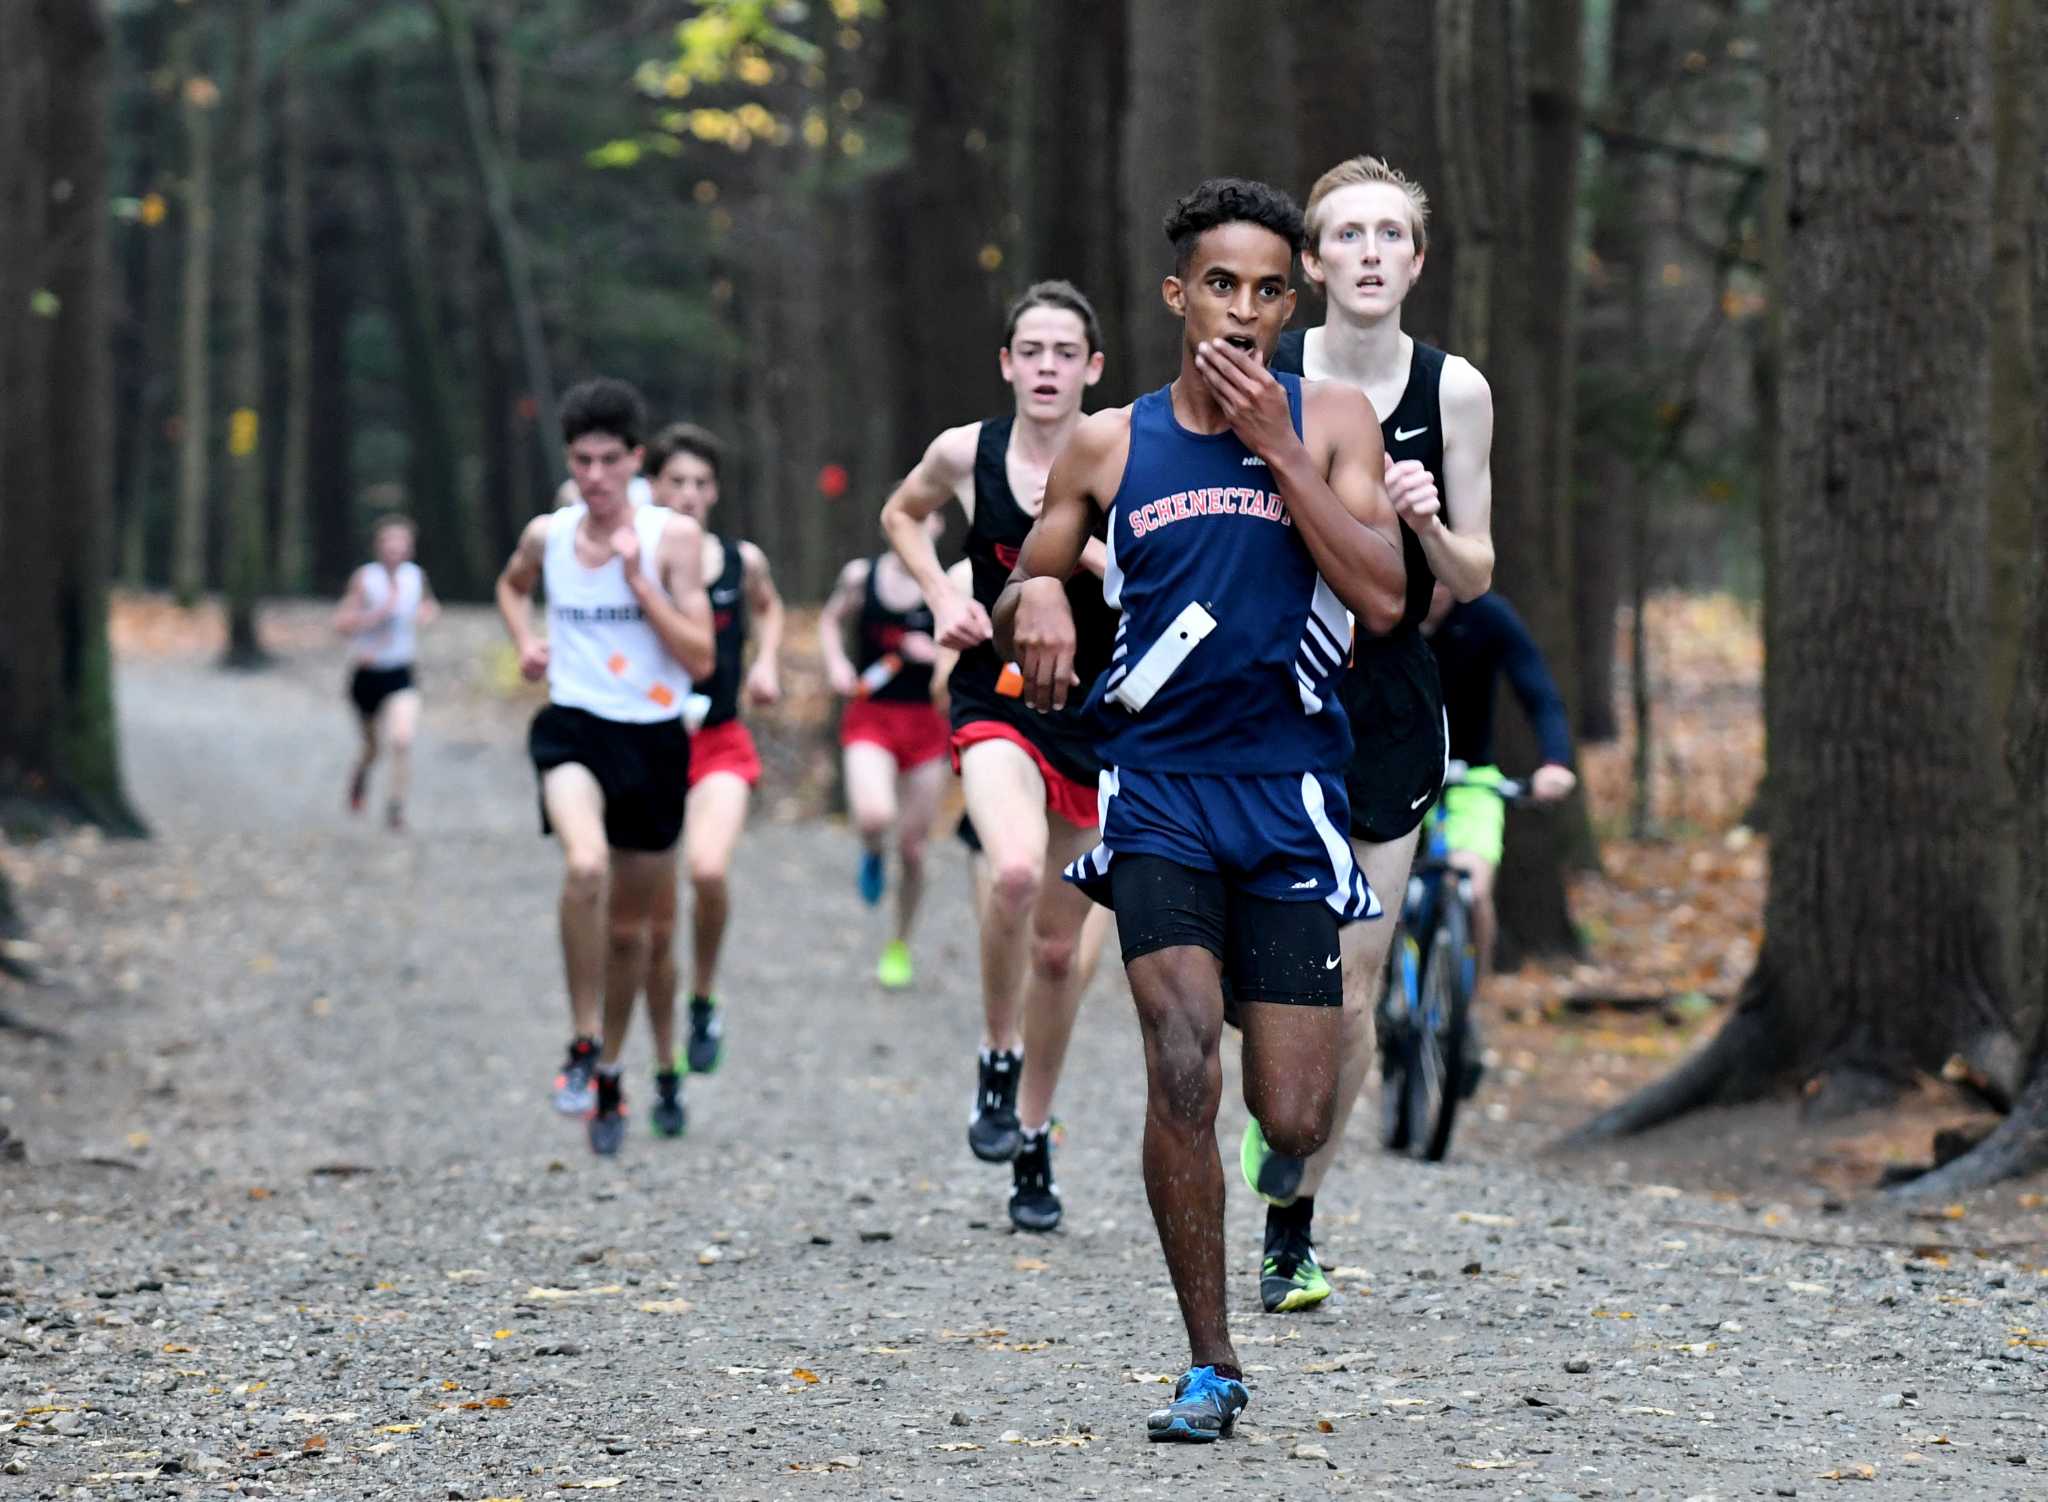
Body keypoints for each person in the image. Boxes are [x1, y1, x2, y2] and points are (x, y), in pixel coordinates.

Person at [998, 178, 1406, 1441]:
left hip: (1289, 797)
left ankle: (1263, 1063)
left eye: (1266, 288)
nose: (1240, 310)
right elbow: (1034, 563)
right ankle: (1211, 1361)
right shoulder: (1110, 441)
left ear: (1295, 300)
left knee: (1290, 1112)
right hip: (1162, 792)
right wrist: (1046, 594)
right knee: (1182, 1067)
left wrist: (1279, 449)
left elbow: (1385, 594)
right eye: (1217, 285)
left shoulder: (1332, 416)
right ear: (1178, 296)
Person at [1237, 155, 1497, 1315]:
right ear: (1310, 261)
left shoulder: (1453, 392)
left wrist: (1427, 525)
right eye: (1346, 233)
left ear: (1417, 259)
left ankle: (1291, 1218)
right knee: (1263, 972)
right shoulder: (1260, 368)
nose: (1371, 250)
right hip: (1259, 693)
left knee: (1350, 978)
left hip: (1387, 697)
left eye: (1391, 232)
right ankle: (1271, 1093)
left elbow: (1477, 571)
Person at [878, 280, 1117, 1234]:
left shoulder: (1125, 455)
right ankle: (995, 1051)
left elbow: (1177, 568)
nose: (1049, 367)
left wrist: (1093, 562)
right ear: (1008, 364)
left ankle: (1035, 1132)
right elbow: (902, 515)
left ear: (1092, 369)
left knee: (1061, 953)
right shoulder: (967, 454)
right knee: (1011, 871)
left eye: (1067, 352)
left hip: (1100, 719)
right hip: (998, 699)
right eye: (1033, 350)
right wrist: (942, 593)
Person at [495, 378, 715, 1154]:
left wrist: (638, 583)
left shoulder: (672, 541)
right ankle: (583, 1042)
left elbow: (700, 655)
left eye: (609, 461)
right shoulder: (547, 536)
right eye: (582, 460)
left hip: (653, 739)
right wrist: (525, 641)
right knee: (584, 866)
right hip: (573, 729)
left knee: (634, 937)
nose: (594, 477)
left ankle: (614, 1067)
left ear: (637, 461)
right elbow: (511, 585)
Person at [644, 422, 785, 1089]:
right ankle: (664, 1060)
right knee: (650, 919)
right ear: (652, 487)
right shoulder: (633, 563)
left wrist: (766, 663)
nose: (690, 495)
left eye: (702, 484)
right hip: (646, 745)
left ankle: (702, 998)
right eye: (677, 482)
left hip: (721, 740)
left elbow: (769, 607)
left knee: (705, 871)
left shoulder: (740, 559)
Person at [816, 527, 951, 989]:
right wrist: (836, 663)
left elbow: (973, 647)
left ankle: (899, 944)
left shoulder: (948, 584)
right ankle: (872, 851)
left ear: (938, 527)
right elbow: (830, 619)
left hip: (927, 723)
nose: (914, 526)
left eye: (925, 517)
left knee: (913, 850)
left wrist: (933, 653)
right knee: (874, 816)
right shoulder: (861, 576)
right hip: (871, 716)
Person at [1422, 584, 1577, 983]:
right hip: (1396, 778)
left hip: (1471, 777)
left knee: (1470, 891)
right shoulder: (1380, 609)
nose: (1435, 588)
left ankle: (1466, 1014)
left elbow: (1539, 692)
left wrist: (1554, 762)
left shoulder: (1486, 615)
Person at [333, 515, 439, 832]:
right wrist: (377, 614)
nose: (395, 547)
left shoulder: (416, 578)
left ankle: (395, 808)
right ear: (378, 547)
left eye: (401, 542)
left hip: (400, 672)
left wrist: (427, 614)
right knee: (372, 748)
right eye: (389, 541)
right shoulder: (365, 579)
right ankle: (361, 775)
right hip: (367, 675)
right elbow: (341, 623)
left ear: (410, 547)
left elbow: (429, 607)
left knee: (402, 740)